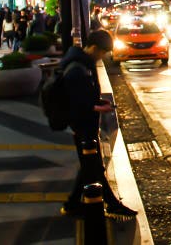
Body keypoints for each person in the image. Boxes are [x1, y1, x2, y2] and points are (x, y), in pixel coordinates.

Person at [60, 30, 135, 220]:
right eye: (102, 52)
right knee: (93, 165)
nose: (102, 57)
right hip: (82, 124)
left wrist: (98, 103)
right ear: (93, 48)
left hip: (85, 123)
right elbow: (77, 101)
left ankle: (73, 204)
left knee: (90, 166)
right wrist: (97, 107)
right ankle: (110, 204)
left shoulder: (82, 62)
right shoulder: (78, 67)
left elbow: (85, 96)